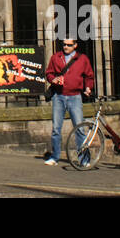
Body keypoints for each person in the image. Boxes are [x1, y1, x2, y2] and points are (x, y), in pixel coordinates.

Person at [44, 38, 95, 166]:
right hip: (58, 96)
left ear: (75, 45)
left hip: (75, 96)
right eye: (64, 44)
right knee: (56, 128)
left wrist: (88, 87)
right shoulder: (56, 57)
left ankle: (84, 159)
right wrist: (53, 79)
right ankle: (55, 157)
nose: (66, 47)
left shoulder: (82, 59)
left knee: (79, 129)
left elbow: (89, 76)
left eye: (69, 45)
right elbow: (49, 73)